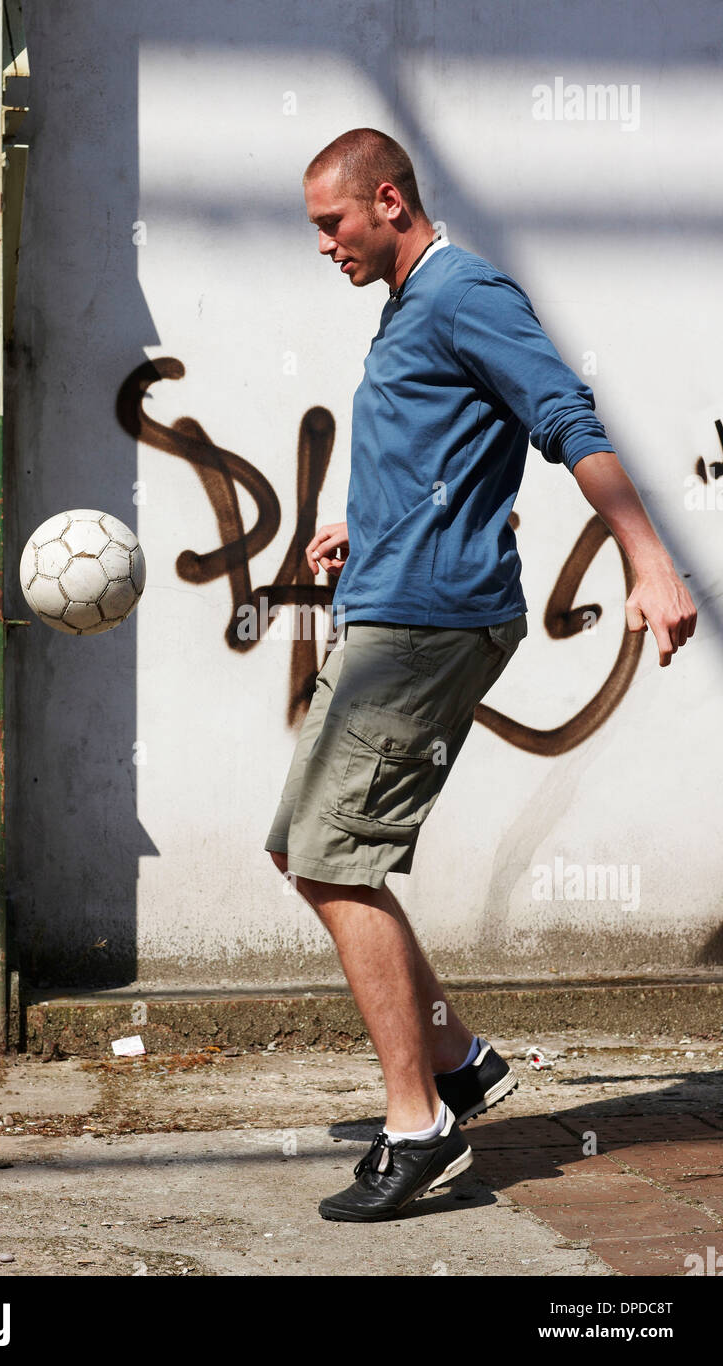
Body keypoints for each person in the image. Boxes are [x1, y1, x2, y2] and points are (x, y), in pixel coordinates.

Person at [263, 128, 697, 1222]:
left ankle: (422, 1124)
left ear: (390, 200)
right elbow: (445, 444)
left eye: (333, 223)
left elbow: (562, 415)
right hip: (398, 602)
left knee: (332, 860)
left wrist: (648, 560)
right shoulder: (410, 303)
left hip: (427, 628)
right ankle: (455, 1057)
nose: (323, 245)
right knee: (308, 848)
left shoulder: (464, 291)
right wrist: (365, 527)